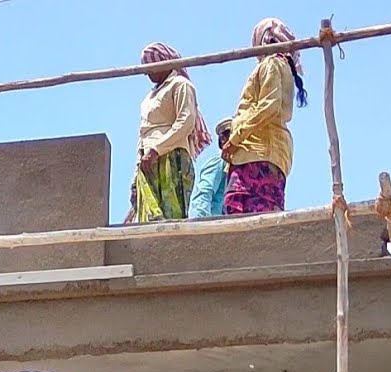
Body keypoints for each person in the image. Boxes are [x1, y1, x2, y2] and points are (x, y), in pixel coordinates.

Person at [222, 17, 309, 214]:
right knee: (263, 217)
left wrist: (235, 138)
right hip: (269, 152)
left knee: (243, 217)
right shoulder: (282, 66)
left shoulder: (271, 63)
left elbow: (269, 106)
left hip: (256, 151)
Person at [132, 42, 213, 223]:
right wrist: (138, 168)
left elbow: (186, 122)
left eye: (149, 66)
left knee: (171, 216)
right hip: (147, 160)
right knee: (149, 219)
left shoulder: (180, 85)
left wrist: (156, 150)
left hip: (172, 157)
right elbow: (143, 133)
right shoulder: (149, 97)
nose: (146, 72)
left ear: (164, 63)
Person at [189, 118, 235, 218]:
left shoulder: (238, 166)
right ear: (223, 139)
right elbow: (203, 193)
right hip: (216, 223)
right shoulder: (218, 163)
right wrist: (201, 223)